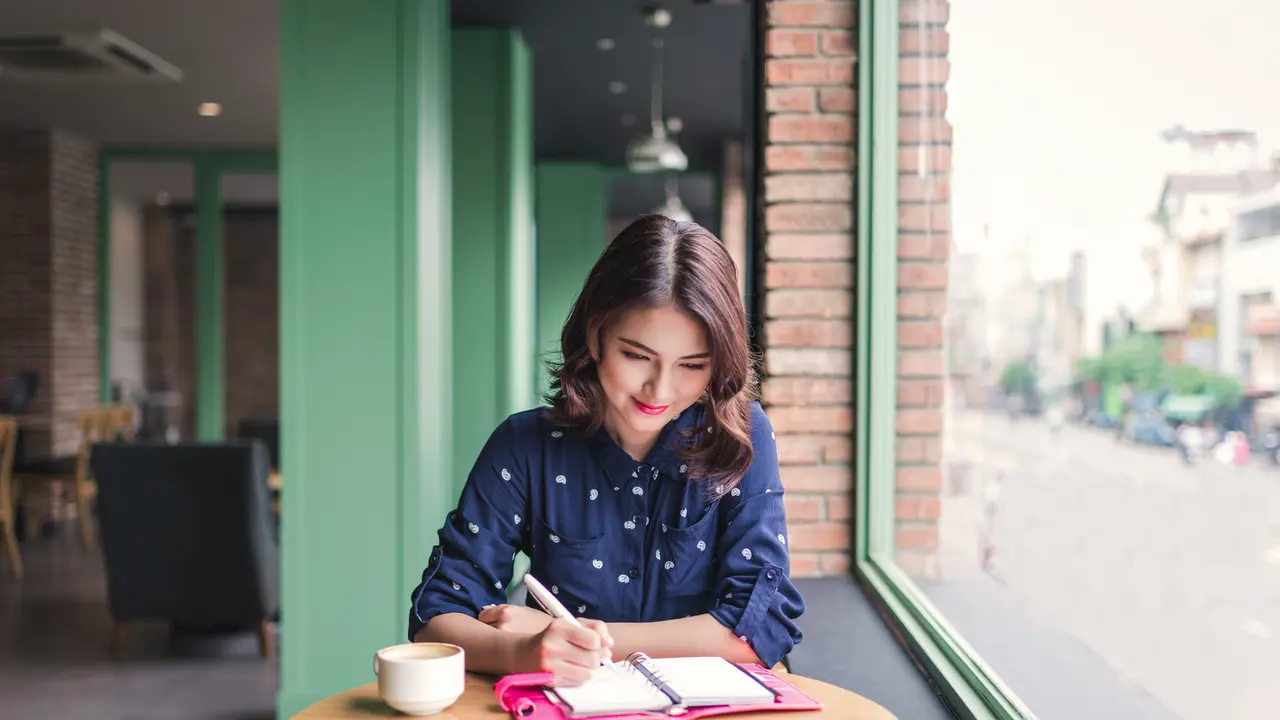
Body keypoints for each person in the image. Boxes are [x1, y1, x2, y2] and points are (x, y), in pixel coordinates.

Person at [407, 216, 804, 686]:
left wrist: (571, 636)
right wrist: (524, 651)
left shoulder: (742, 435)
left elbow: (758, 633)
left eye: (692, 365)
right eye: (637, 356)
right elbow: (436, 616)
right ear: (596, 335)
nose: (660, 388)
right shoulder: (524, 446)